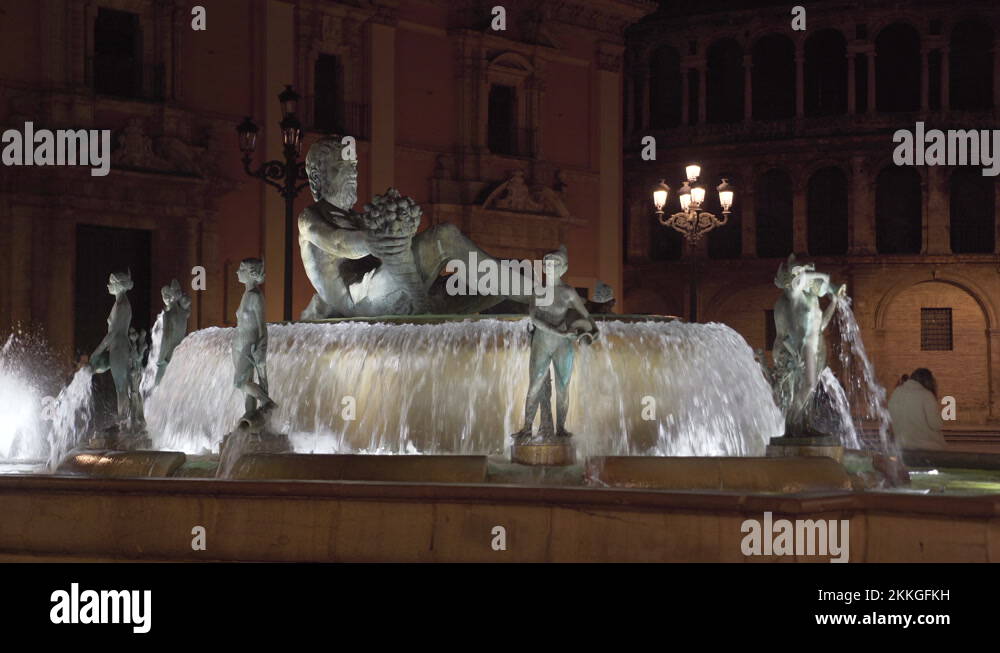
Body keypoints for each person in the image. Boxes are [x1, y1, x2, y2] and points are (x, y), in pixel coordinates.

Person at [888, 368, 945, 450]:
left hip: (901, 444)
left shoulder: (896, 392)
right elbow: (936, 424)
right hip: (927, 445)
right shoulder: (926, 395)